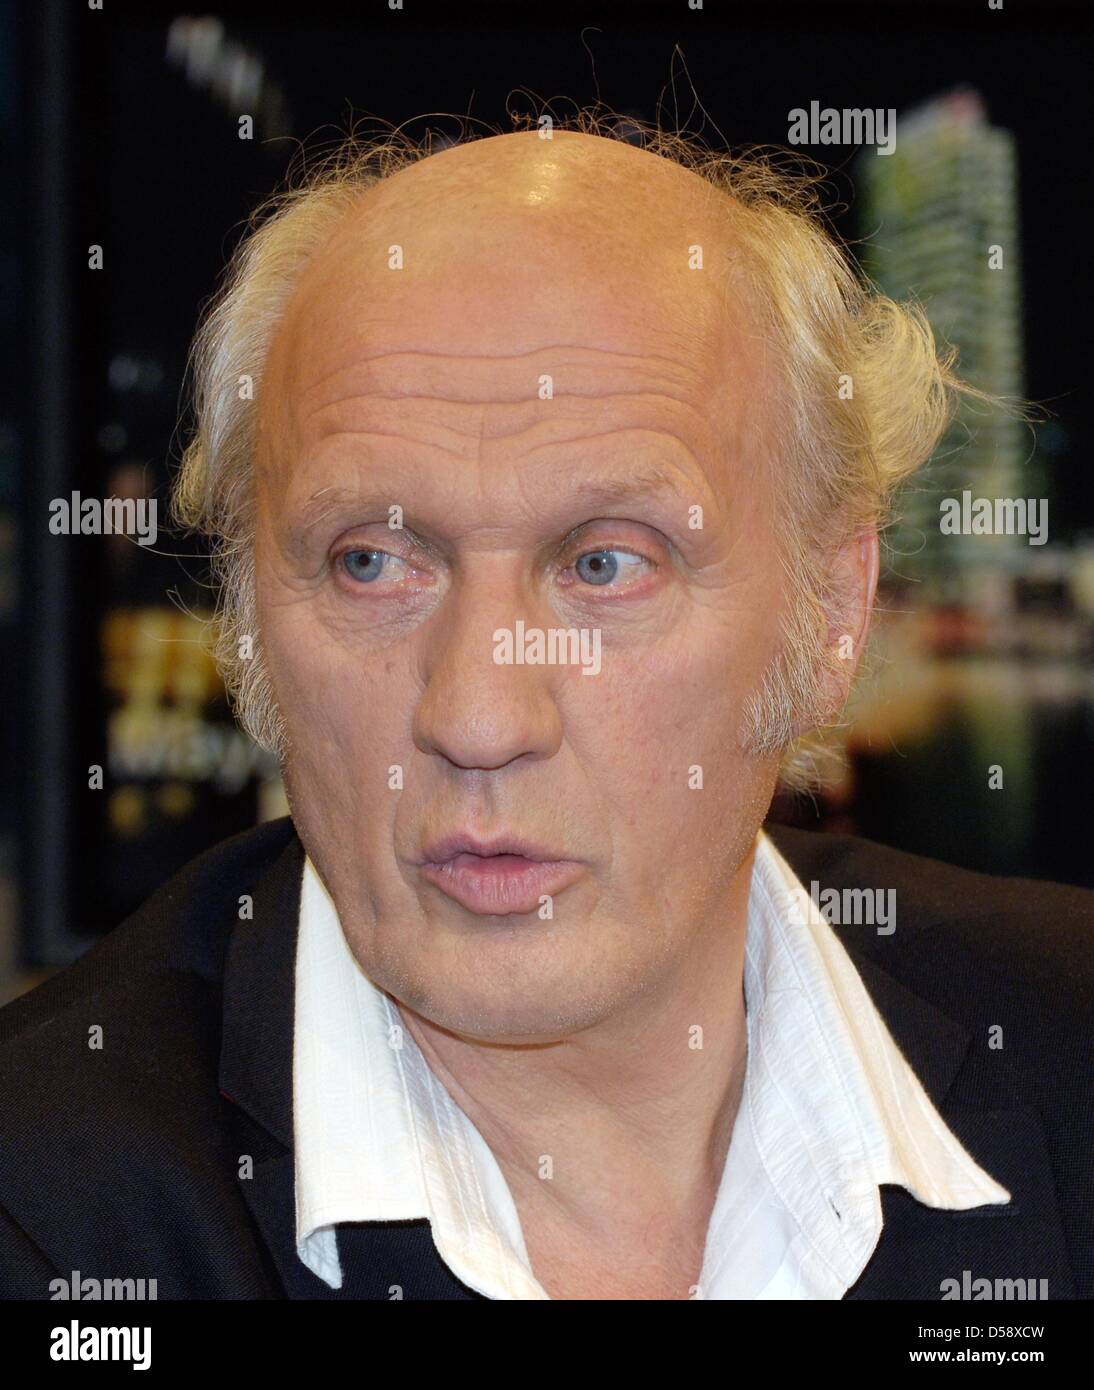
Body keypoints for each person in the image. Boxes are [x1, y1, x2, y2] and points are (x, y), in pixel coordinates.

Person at [1, 114, 1089, 1300]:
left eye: (604, 564)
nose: (476, 715)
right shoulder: (47, 1215)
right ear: (252, 613)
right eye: (370, 561)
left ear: (830, 613)